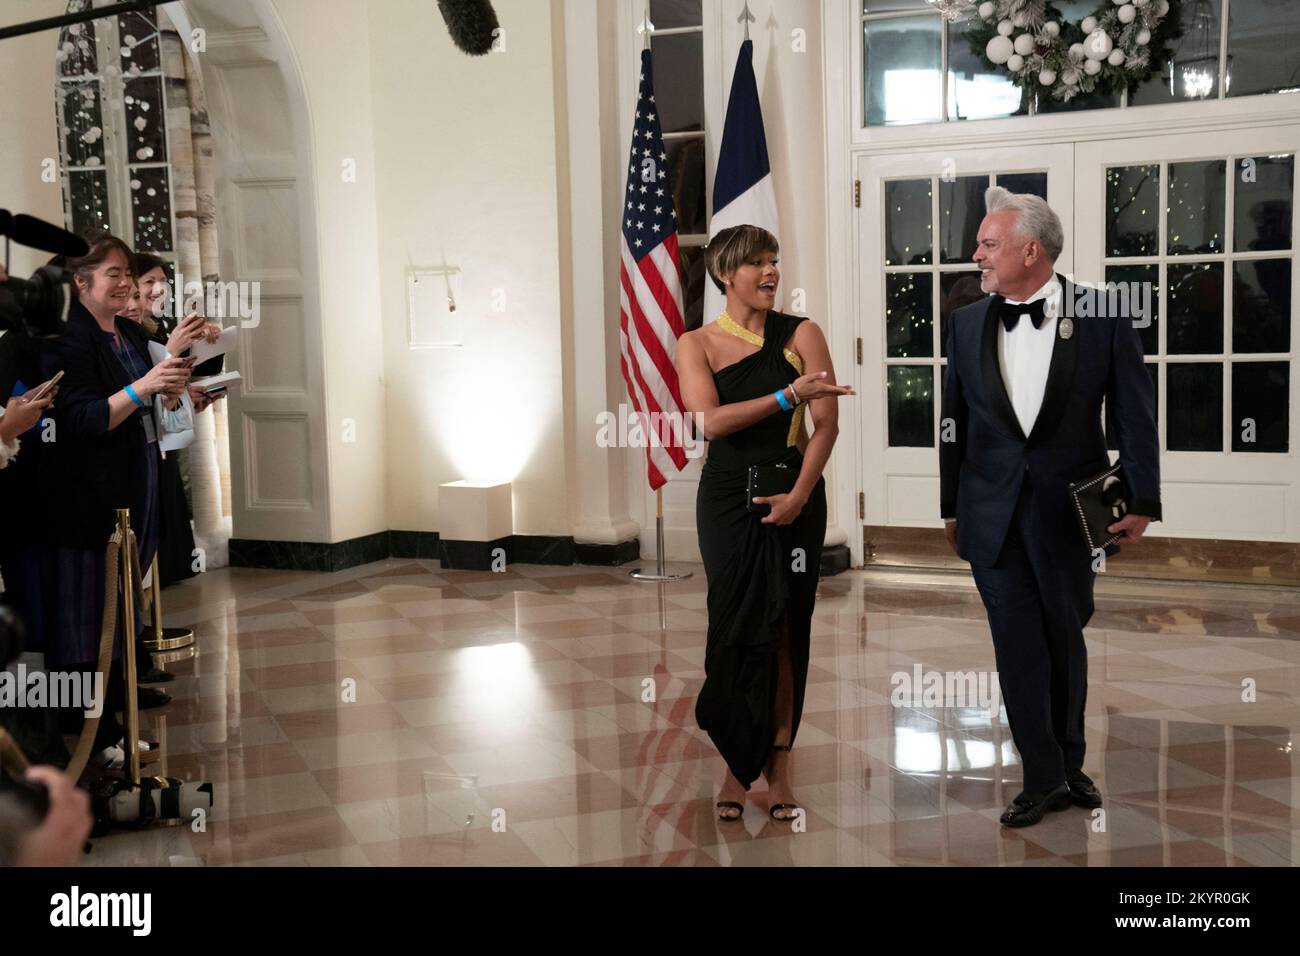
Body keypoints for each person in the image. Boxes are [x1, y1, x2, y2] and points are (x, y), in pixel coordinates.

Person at [939, 187, 1161, 827]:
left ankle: (1070, 762)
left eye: (988, 243)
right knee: (1015, 643)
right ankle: (1041, 776)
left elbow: (1133, 416)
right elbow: (952, 420)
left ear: (1029, 249)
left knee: (1065, 635)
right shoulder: (965, 320)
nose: (976, 253)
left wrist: (1141, 497)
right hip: (990, 513)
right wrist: (953, 507)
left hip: (1072, 512)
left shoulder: (1104, 314)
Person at [676, 224, 854, 822]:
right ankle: (734, 763)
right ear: (727, 273)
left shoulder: (802, 333)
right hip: (726, 500)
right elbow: (710, 422)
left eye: (775, 260)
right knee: (732, 631)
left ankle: (778, 772)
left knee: (784, 632)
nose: (771, 272)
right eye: (757, 263)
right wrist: (787, 396)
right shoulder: (694, 343)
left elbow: (826, 426)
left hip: (793, 494)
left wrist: (801, 496)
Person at [39, 232, 202, 765]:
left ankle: (115, 724)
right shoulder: (67, 338)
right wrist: (146, 386)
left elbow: (145, 402)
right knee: (87, 621)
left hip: (128, 489)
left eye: (128, 274)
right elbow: (83, 418)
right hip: (84, 501)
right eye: (115, 274)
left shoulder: (127, 333)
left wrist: (172, 381)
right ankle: (95, 735)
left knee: (118, 612)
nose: (127, 283)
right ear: (80, 282)